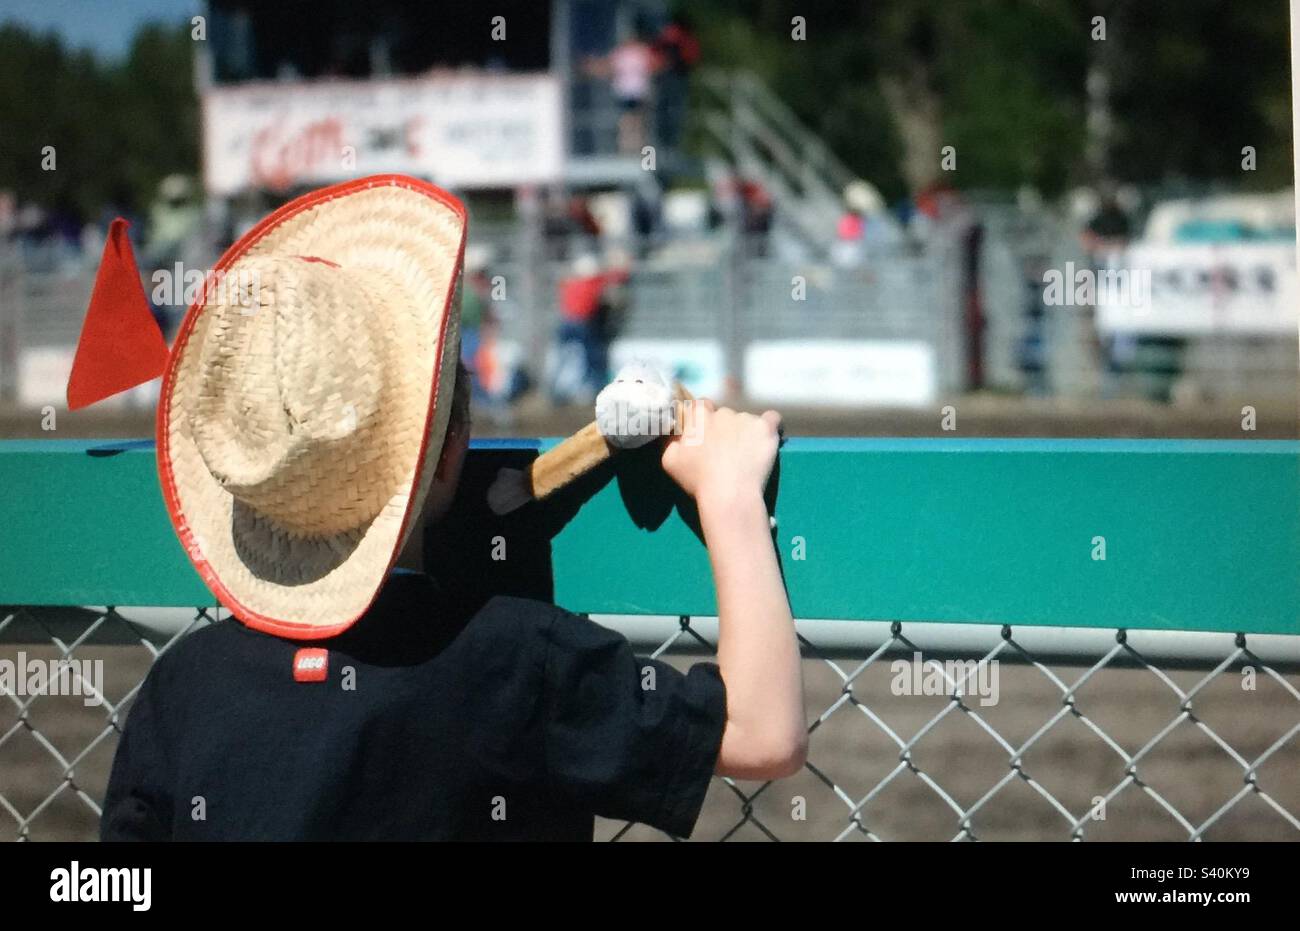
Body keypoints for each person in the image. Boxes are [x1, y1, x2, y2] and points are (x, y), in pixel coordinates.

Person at [95, 176, 805, 841]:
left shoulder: (182, 689)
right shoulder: (514, 659)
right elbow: (762, 732)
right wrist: (731, 496)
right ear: (452, 445)